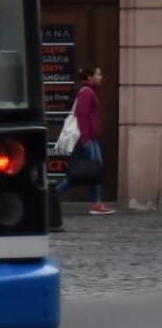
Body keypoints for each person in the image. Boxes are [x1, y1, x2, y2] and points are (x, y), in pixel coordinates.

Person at [73, 65, 112, 215]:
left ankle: (96, 202)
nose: (101, 77)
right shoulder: (87, 92)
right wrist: (85, 139)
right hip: (88, 138)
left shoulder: (91, 91)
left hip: (91, 137)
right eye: (98, 74)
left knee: (93, 169)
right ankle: (53, 194)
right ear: (90, 77)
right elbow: (81, 115)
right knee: (91, 169)